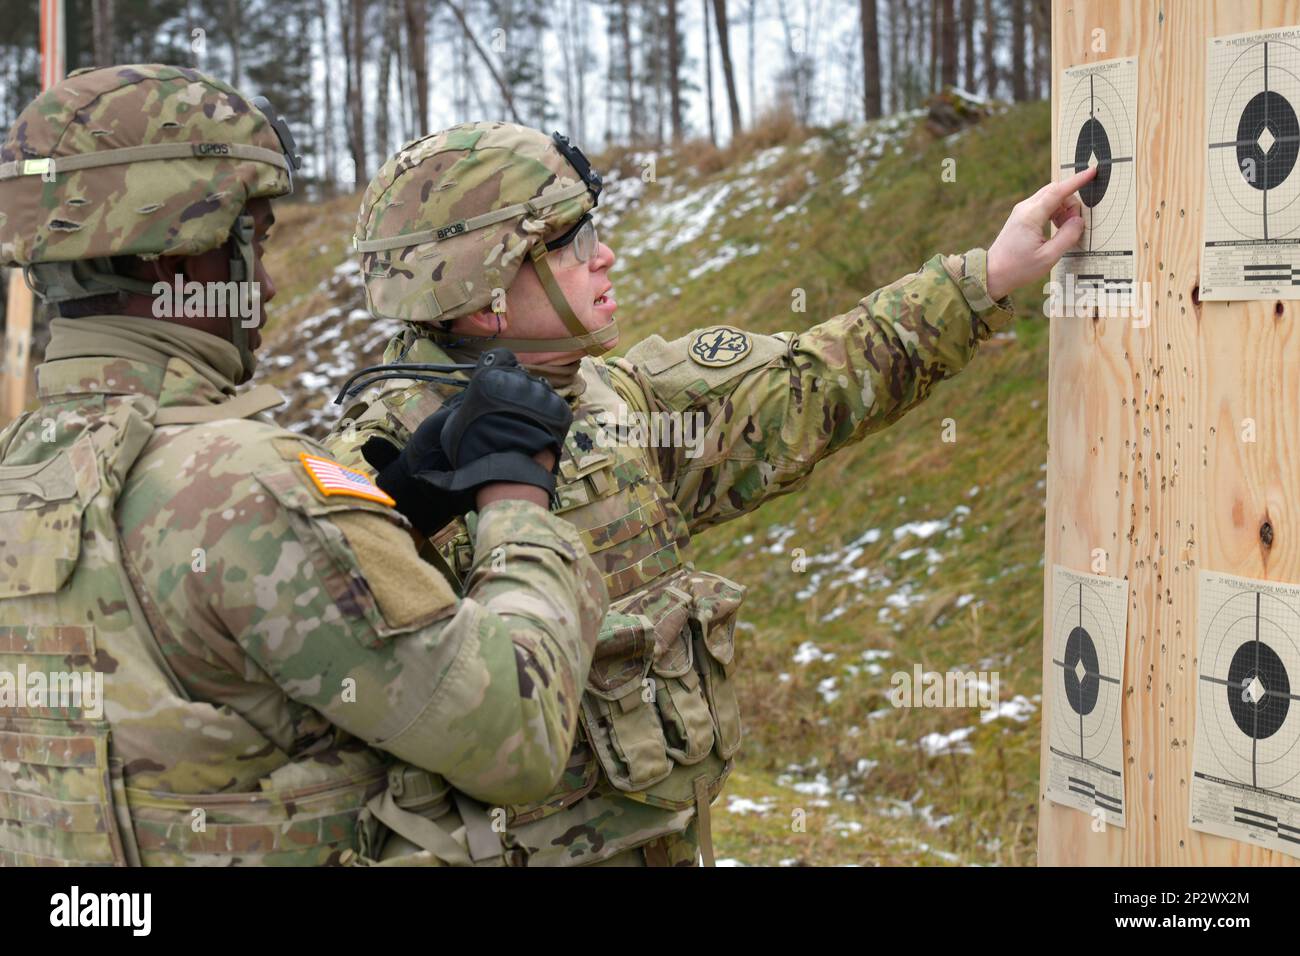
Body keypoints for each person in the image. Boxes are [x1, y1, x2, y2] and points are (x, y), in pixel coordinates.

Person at [327, 121, 1097, 866]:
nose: (607, 257)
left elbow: (813, 383)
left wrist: (987, 277)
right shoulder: (378, 473)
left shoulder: (617, 401)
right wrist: (403, 515)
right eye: (573, 245)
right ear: (483, 290)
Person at [0, 68, 606, 867]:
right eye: (254, 238)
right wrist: (517, 494)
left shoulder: (25, 468)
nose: (271, 281)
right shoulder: (246, 482)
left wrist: (391, 516)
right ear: (177, 263)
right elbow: (517, 737)